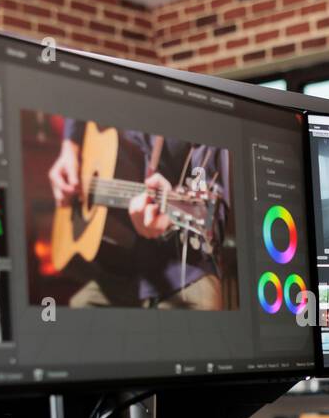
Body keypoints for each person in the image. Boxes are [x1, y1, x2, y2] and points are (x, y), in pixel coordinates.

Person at [48, 120, 230, 309]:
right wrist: (70, 146)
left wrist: (167, 216)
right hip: (117, 271)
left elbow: (212, 211)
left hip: (182, 269)